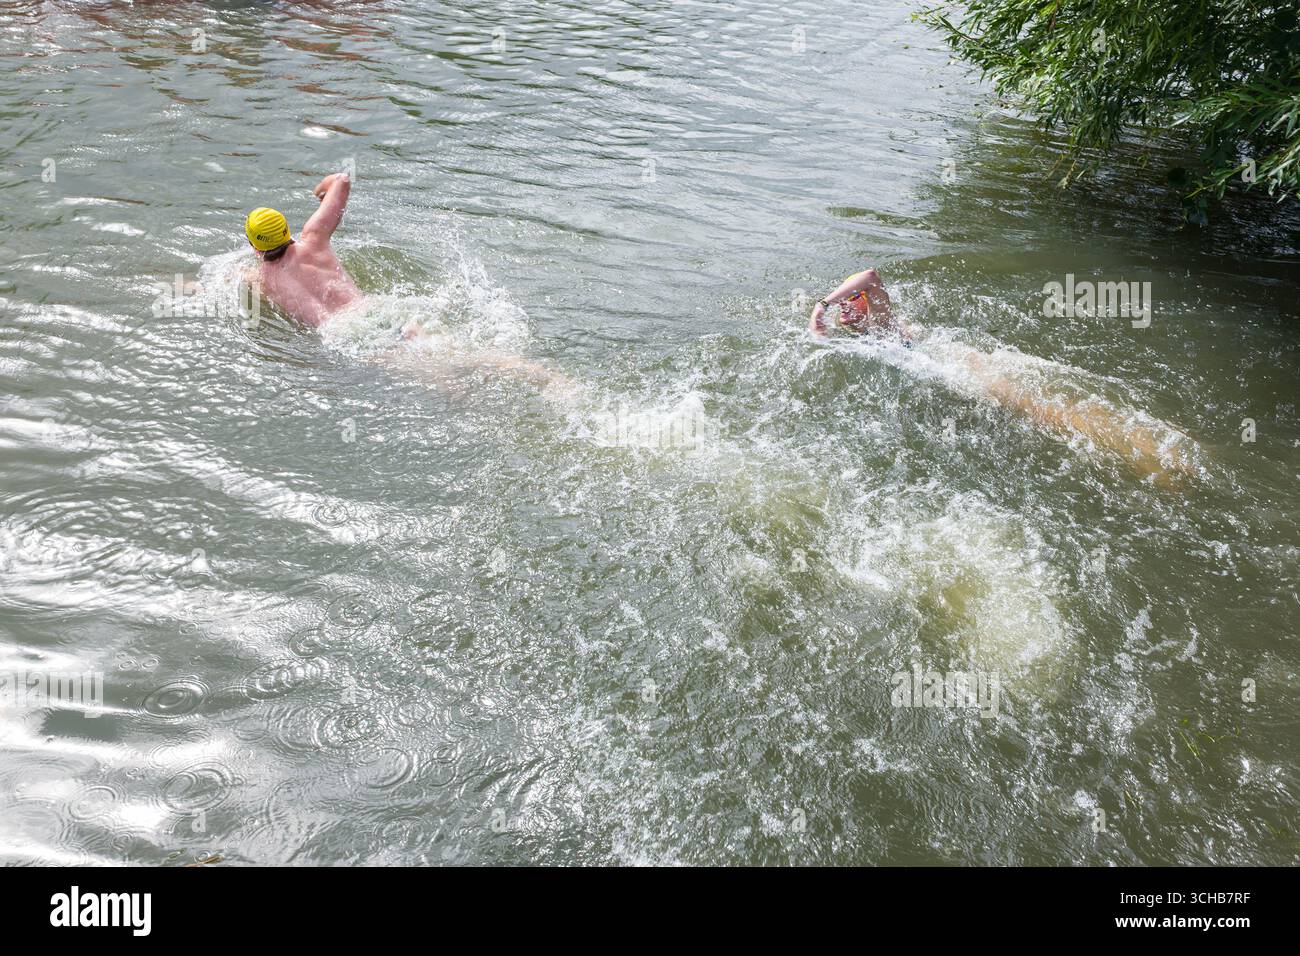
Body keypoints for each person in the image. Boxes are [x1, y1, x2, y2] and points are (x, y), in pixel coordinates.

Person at [243, 172, 364, 328]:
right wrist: (320, 191)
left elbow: (220, 282)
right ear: (285, 228)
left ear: (254, 246)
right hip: (368, 311)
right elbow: (342, 179)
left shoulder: (262, 282)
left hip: (338, 335)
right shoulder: (314, 238)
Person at [807, 268, 912, 342]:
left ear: (867, 300)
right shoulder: (837, 319)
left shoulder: (880, 323)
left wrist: (821, 305)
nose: (841, 302)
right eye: (840, 298)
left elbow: (871, 277)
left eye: (851, 298)